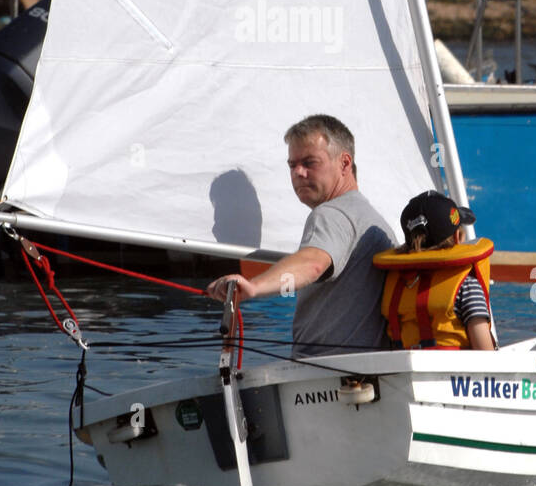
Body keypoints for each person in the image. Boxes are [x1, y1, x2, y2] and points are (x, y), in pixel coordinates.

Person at [206, 114, 394, 357]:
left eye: (309, 162)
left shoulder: (332, 214)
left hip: (328, 377)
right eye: (292, 165)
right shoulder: (369, 218)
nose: (298, 172)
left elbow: (313, 264)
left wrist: (254, 287)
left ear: (345, 164)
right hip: (366, 373)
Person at [375, 190, 496, 350]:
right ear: (457, 238)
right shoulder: (467, 285)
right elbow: (484, 352)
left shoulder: (393, 282)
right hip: (455, 373)